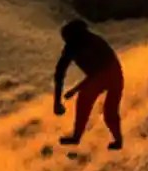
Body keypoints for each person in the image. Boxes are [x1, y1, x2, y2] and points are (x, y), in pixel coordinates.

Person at [53, 19, 124, 150]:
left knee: (108, 112)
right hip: (106, 75)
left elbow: (99, 74)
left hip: (112, 73)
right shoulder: (74, 46)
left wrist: (74, 90)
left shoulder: (89, 43)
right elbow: (60, 73)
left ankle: (117, 141)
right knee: (86, 101)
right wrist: (58, 101)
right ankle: (77, 137)